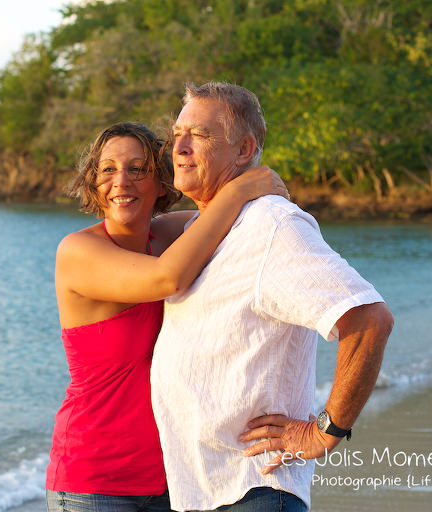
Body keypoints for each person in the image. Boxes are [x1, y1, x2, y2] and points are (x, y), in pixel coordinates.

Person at [150, 82, 394, 512]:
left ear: (244, 149)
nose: (180, 147)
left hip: (256, 490)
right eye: (177, 134)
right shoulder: (203, 230)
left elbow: (369, 319)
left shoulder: (271, 225)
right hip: (207, 490)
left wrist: (325, 431)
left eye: (200, 135)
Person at [46, 121, 288, 512]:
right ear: (94, 185)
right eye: (107, 170)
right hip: (93, 482)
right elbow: (168, 278)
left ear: (161, 183)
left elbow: (231, 225)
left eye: (137, 169)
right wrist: (242, 188)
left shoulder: (170, 236)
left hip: (175, 479)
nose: (120, 181)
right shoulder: (77, 252)